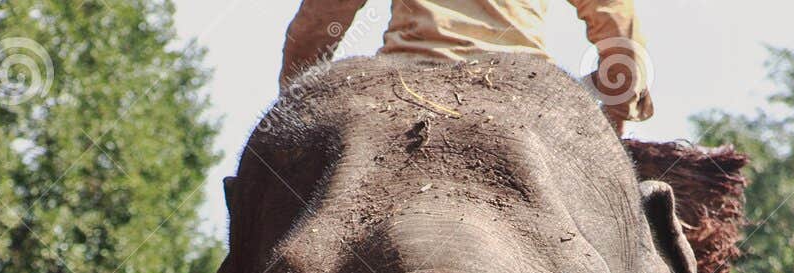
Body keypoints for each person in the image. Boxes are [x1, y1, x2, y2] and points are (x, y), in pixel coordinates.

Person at [279, 0, 653, 133]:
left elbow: (317, 24)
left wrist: (294, 101)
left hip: (404, 83)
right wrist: (619, 109)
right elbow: (617, 20)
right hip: (525, 89)